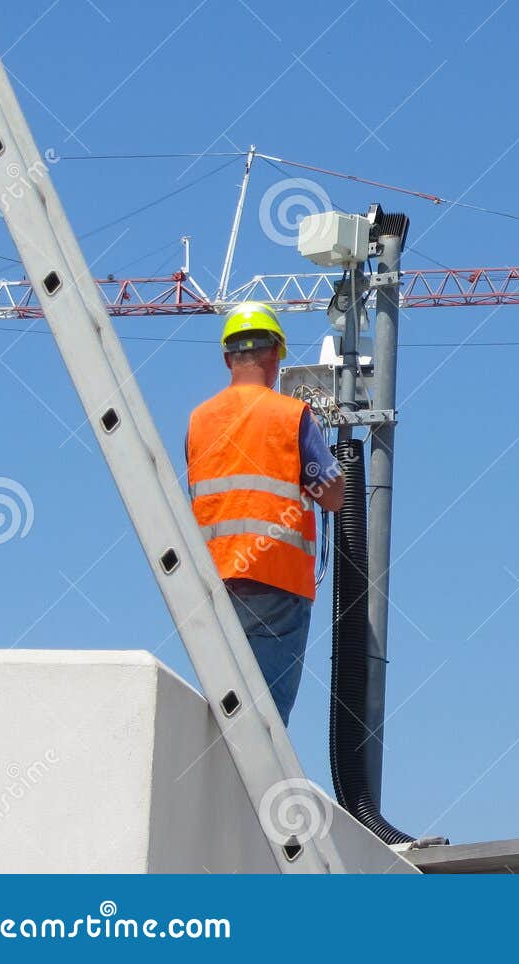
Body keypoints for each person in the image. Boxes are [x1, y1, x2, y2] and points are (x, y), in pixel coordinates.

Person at [185, 302, 343, 724]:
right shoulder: (291, 416)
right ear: (276, 355)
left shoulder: (199, 421)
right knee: (264, 722)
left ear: (227, 358)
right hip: (277, 582)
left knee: (221, 712)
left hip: (211, 583)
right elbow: (331, 497)